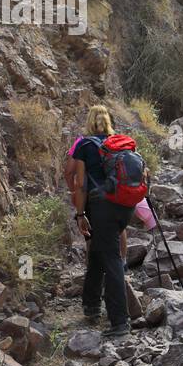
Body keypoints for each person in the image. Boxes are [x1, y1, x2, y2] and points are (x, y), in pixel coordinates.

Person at [64, 105, 138, 336]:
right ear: (108, 121)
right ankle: (91, 304)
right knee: (98, 251)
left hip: (101, 206)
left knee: (111, 258)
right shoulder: (122, 143)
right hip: (125, 206)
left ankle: (120, 322)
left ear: (89, 122)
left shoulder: (85, 145)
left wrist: (79, 213)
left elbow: (80, 184)